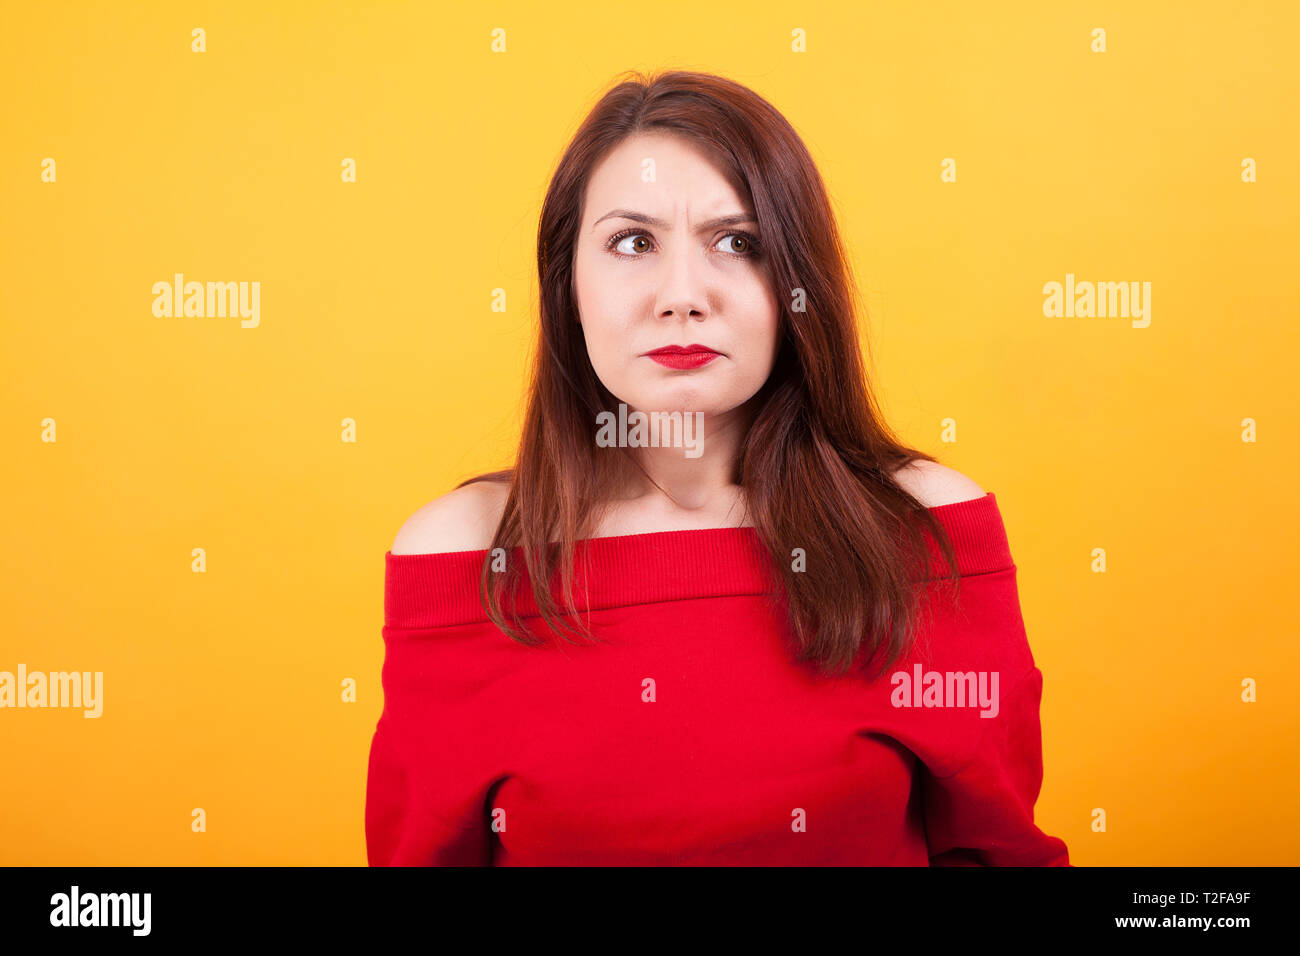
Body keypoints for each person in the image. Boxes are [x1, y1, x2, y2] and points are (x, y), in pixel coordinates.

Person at [367, 69, 1070, 866]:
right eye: (633, 243)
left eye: (739, 243)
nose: (683, 296)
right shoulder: (459, 558)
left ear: (796, 285)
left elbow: (1003, 854)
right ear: (567, 286)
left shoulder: (927, 529)